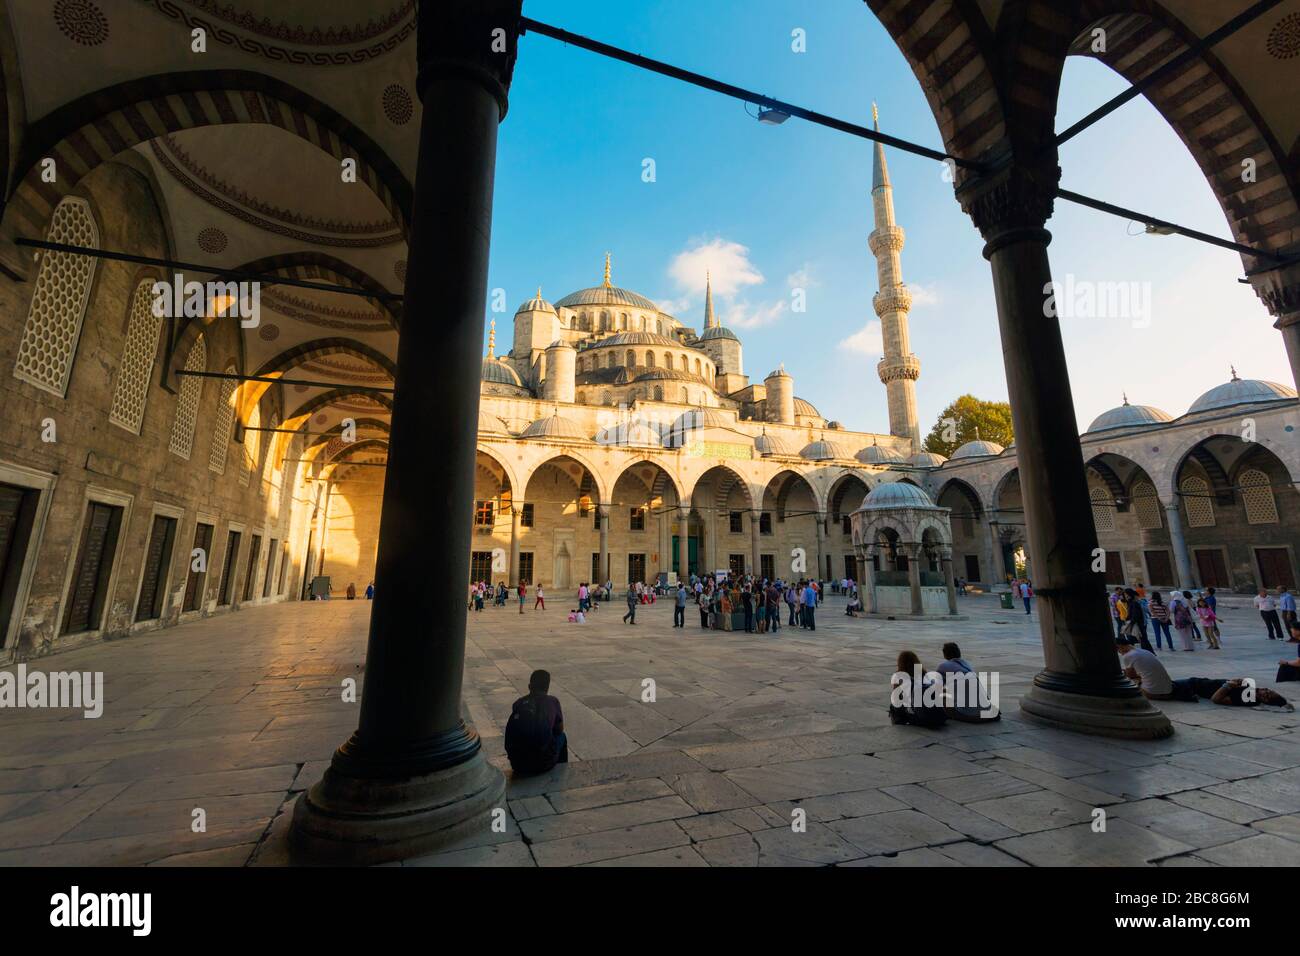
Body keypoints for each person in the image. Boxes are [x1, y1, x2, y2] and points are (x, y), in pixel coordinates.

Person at [504, 670, 568, 776]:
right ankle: (561, 773)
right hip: (544, 763)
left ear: (529, 686)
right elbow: (559, 730)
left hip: (518, 765)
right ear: (547, 687)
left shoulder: (518, 703)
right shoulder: (553, 702)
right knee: (562, 736)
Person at [936, 642, 999, 722]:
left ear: (945, 654)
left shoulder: (943, 666)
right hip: (986, 710)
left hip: (969, 714)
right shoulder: (967, 664)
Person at [889, 650, 946, 727]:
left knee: (893, 705)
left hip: (922, 718)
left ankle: (900, 720)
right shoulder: (924, 674)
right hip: (938, 716)